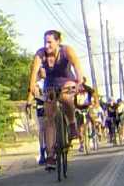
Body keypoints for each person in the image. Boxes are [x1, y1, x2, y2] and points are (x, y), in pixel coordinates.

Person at [25, 28, 88, 170]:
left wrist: (79, 83)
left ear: (58, 42)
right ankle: (50, 155)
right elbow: (34, 74)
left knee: (66, 97)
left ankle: (72, 124)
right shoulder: (40, 54)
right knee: (49, 117)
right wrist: (31, 92)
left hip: (67, 82)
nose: (47, 46)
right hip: (50, 85)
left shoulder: (67, 51)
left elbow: (77, 67)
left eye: (50, 43)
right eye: (45, 43)